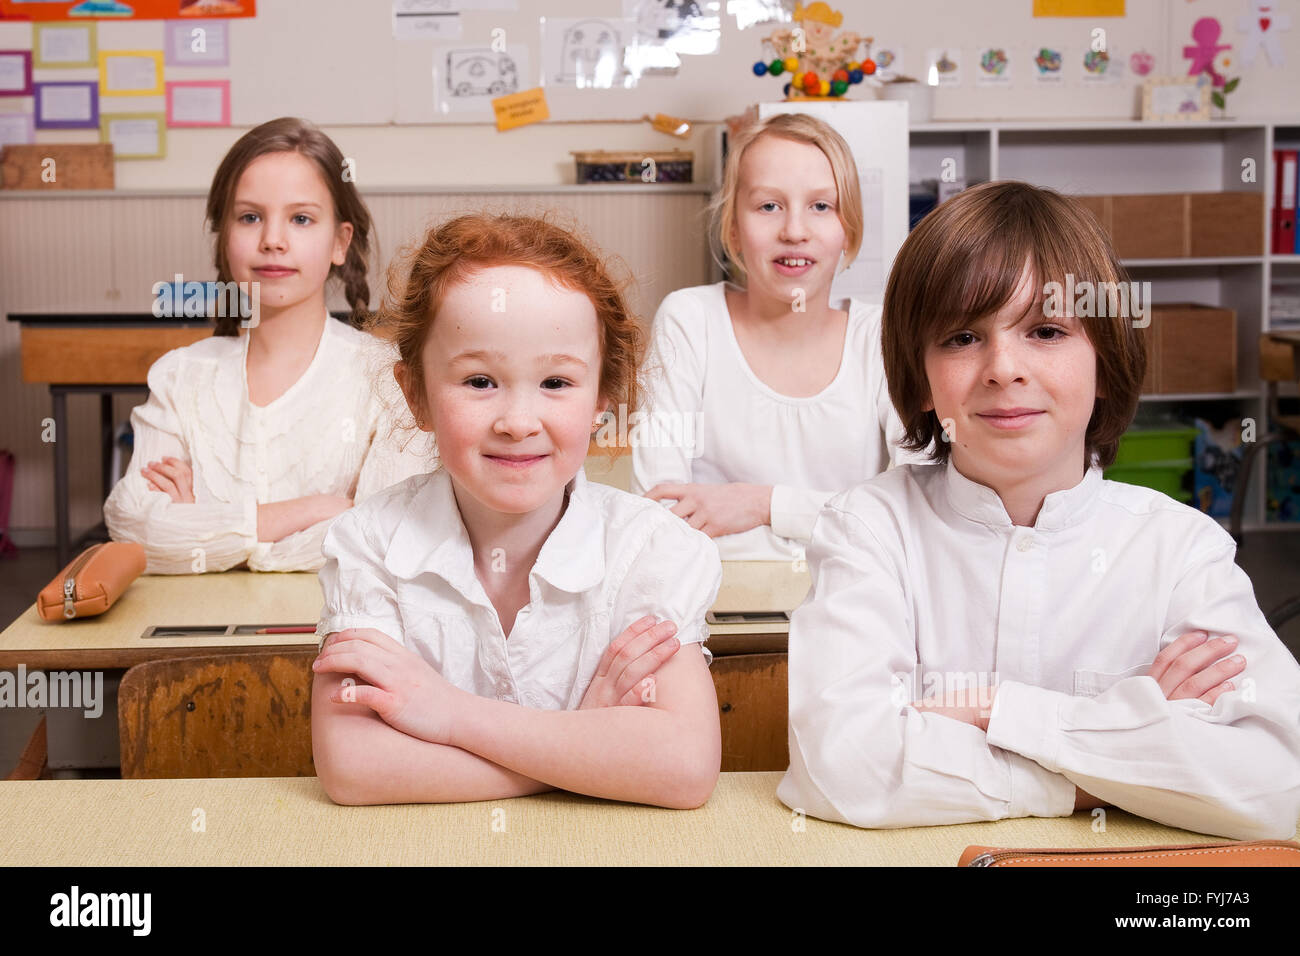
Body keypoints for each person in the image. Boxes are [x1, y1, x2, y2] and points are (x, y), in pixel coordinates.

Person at [778, 180, 1300, 839]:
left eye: (1046, 330)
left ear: (1106, 362)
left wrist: (1002, 712)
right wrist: (1127, 742)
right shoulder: (868, 529)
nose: (1003, 368)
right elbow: (843, 765)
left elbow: (1281, 780)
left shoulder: (1181, 551)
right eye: (963, 337)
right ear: (917, 379)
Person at [311, 213, 722, 808]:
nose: (518, 421)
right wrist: (586, 748)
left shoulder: (650, 550)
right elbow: (354, 768)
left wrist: (449, 714)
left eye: (556, 382)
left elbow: (682, 768)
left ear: (603, 396)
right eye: (480, 382)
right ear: (415, 393)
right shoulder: (369, 545)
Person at [104, 117, 428, 573]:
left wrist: (202, 530)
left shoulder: (386, 377)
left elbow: (385, 537)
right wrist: (319, 509)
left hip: (339, 636)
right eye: (250, 217)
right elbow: (134, 525)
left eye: (301, 218)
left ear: (340, 241)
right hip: (191, 638)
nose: (273, 240)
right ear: (225, 239)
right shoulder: (180, 376)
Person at [631, 111, 913, 560]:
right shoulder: (689, 321)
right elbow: (660, 511)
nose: (794, 231)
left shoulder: (883, 338)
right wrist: (831, 524)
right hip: (712, 613)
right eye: (768, 206)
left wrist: (761, 505)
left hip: (860, 615)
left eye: (821, 206)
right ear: (734, 231)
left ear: (849, 230)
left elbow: (910, 514)